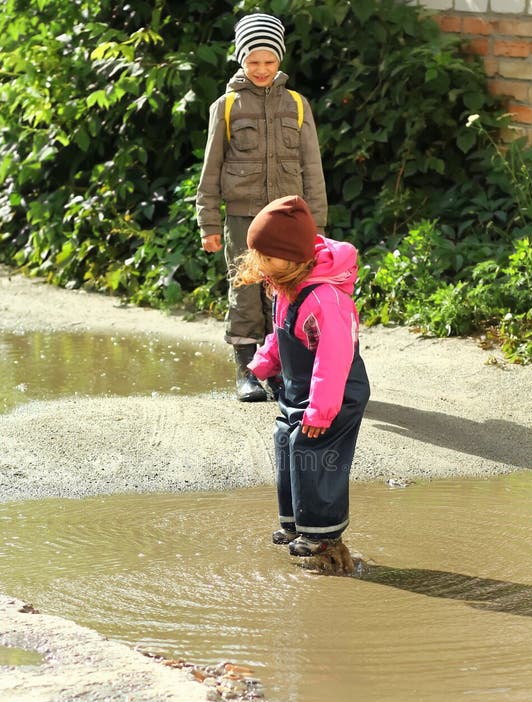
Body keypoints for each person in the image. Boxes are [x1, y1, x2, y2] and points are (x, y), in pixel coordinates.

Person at [196, 12, 327, 402]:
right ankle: (247, 370)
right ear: (240, 60)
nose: (261, 69)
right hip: (243, 217)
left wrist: (316, 225)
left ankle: (280, 370)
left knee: (286, 290)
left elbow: (313, 169)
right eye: (253, 61)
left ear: (280, 60)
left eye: (269, 61)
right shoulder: (227, 106)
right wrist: (208, 223)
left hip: (289, 219)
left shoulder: (298, 106)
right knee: (246, 288)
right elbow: (211, 168)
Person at [234, 195, 370, 572]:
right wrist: (262, 363)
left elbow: (335, 357)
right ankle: (297, 523)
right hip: (300, 390)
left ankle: (323, 533)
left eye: (267, 259)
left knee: (313, 451)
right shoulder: (285, 286)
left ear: (294, 258)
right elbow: (281, 333)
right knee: (286, 441)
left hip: (334, 393)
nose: (261, 267)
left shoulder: (325, 299)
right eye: (257, 257)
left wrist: (322, 409)